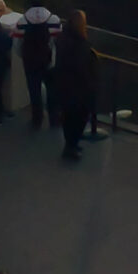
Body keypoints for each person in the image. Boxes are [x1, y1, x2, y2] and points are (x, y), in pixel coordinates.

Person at [53, 9, 98, 162]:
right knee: (79, 118)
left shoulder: (62, 39)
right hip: (79, 88)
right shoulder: (81, 44)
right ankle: (71, 146)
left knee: (69, 117)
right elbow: (82, 68)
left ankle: (70, 145)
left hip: (65, 85)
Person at [17, 1, 60, 131]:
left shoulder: (22, 21)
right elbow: (57, 42)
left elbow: (17, 44)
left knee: (34, 91)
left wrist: (24, 57)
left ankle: (37, 119)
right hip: (48, 62)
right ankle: (54, 118)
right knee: (52, 91)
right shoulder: (54, 19)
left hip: (30, 62)